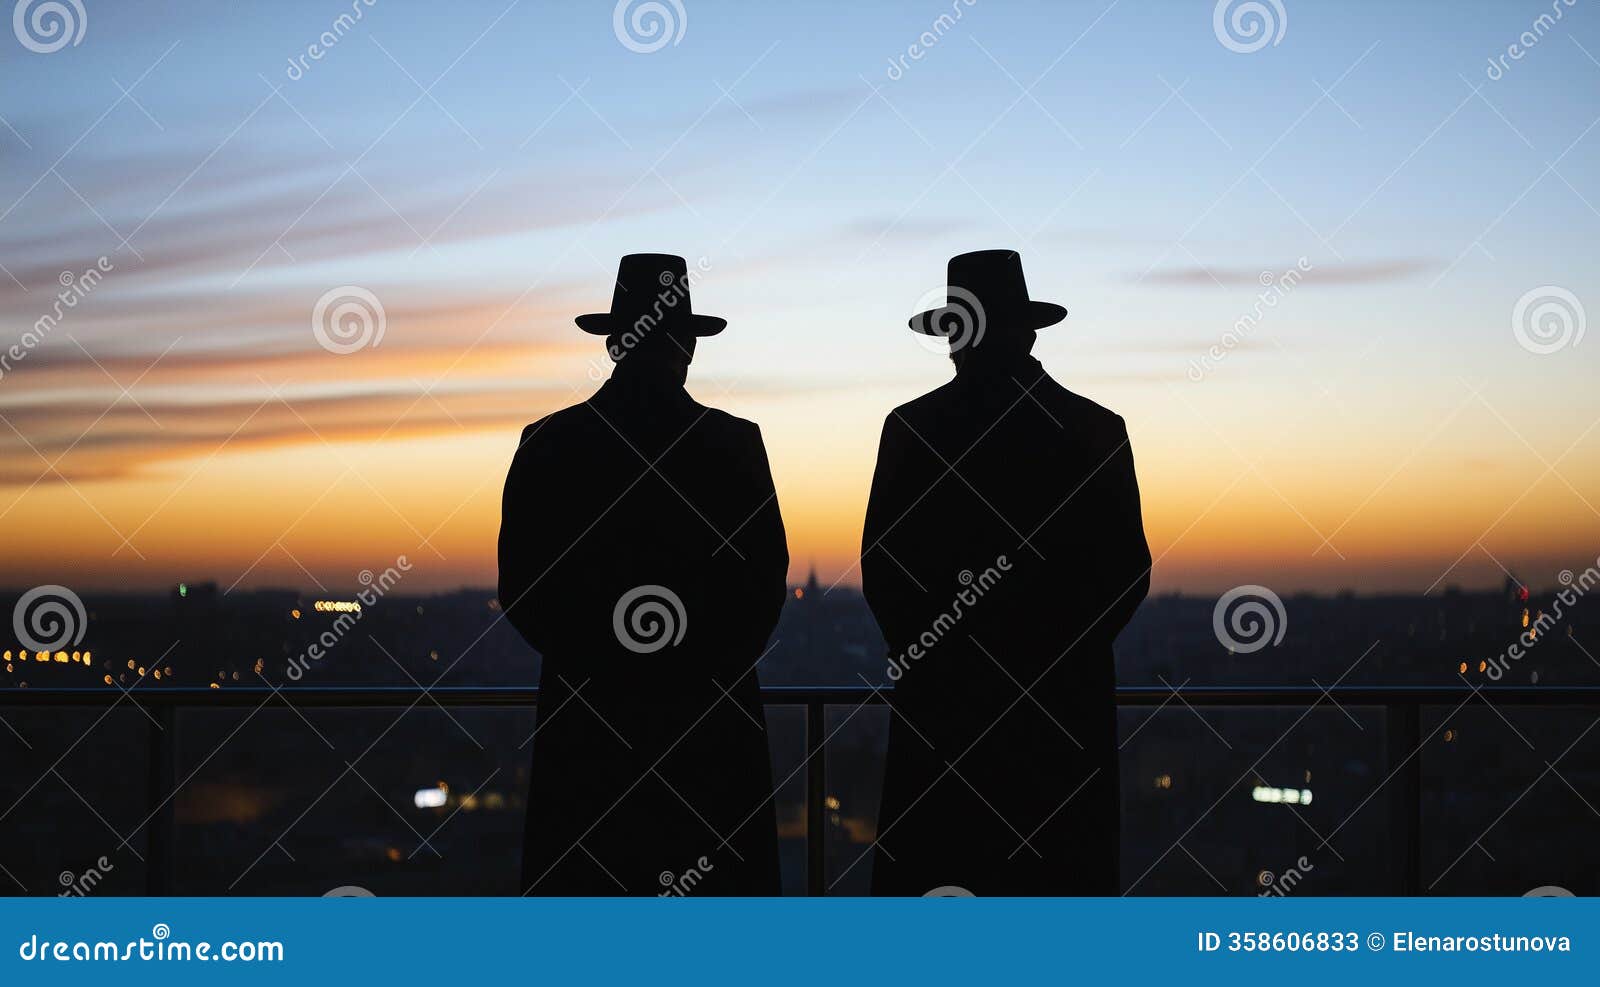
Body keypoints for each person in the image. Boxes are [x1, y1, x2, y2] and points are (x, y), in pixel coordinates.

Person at [861, 249, 1150, 895]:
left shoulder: (912, 429)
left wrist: (942, 657)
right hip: (1061, 723)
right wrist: (1054, 657)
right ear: (1027, 331)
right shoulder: (1095, 428)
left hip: (943, 724)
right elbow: (1125, 573)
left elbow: (885, 573)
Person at [498, 254, 788, 895]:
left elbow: (524, 590)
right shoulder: (733, 444)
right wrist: (695, 665)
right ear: (687, 344)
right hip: (709, 731)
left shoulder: (551, 442)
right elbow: (762, 589)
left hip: (588, 733)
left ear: (612, 343)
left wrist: (604, 663)